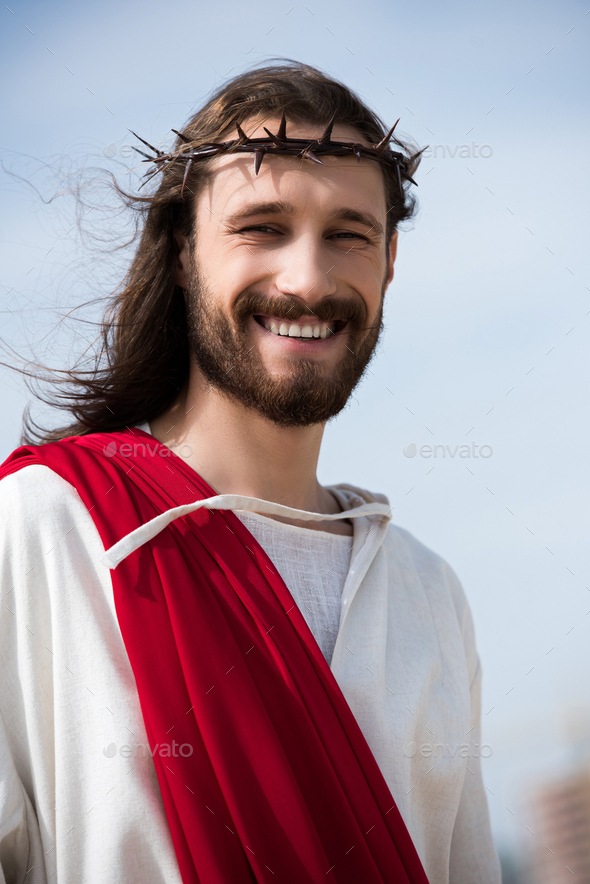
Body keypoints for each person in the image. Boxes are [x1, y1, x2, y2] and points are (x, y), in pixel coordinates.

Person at [0, 61, 501, 883]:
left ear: (390, 261)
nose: (307, 280)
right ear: (183, 252)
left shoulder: (428, 590)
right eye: (262, 227)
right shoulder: (42, 526)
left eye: (349, 234)